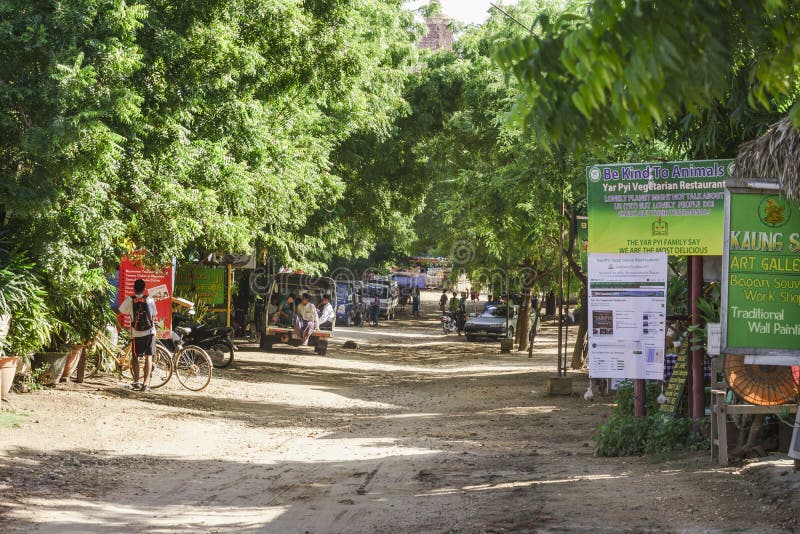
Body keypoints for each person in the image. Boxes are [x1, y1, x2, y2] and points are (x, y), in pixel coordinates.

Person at [119, 279, 158, 392]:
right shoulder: (149, 299)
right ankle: (145, 384)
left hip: (136, 333)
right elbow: (154, 314)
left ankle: (136, 382)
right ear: (144, 288)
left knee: (135, 357)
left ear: (133, 288)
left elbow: (121, 311)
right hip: (150, 333)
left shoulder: (129, 300)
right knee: (148, 356)